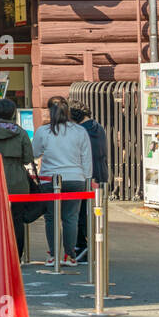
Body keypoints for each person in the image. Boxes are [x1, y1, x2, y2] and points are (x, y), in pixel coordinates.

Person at [33, 96, 92, 267]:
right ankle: (70, 255)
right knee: (70, 217)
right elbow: (86, 158)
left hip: (49, 178)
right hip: (76, 178)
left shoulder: (44, 131)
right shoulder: (80, 131)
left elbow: (35, 153)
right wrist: (87, 179)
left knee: (51, 217)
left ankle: (53, 255)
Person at [0, 98, 41, 258]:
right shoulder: (20, 132)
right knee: (17, 219)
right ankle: (16, 256)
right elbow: (28, 158)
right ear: (13, 113)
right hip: (18, 179)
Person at [71, 104, 107, 262]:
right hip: (101, 173)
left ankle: (83, 245)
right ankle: (93, 245)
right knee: (94, 212)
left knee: (80, 212)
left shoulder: (81, 131)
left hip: (88, 175)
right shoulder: (97, 127)